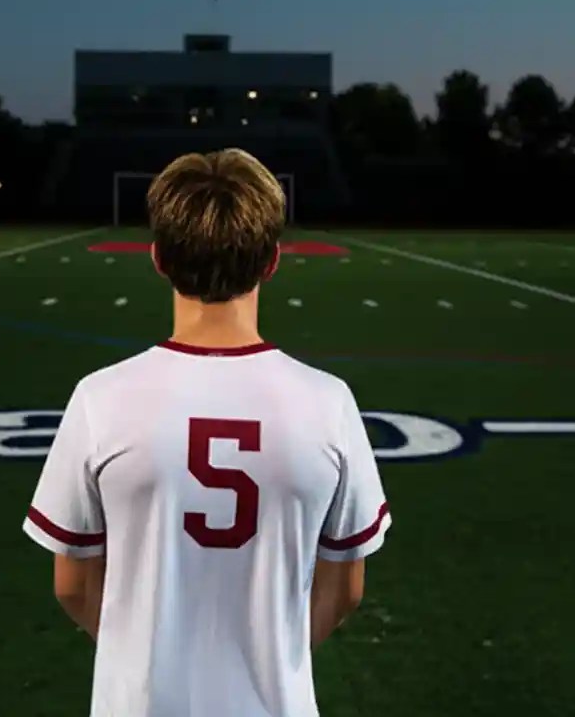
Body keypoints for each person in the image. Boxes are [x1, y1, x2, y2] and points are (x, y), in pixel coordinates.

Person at [22, 148, 391, 717]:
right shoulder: (328, 402)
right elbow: (346, 589)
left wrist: (140, 655)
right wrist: (268, 655)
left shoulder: (100, 398)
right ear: (272, 261)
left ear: (158, 258)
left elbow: (72, 584)